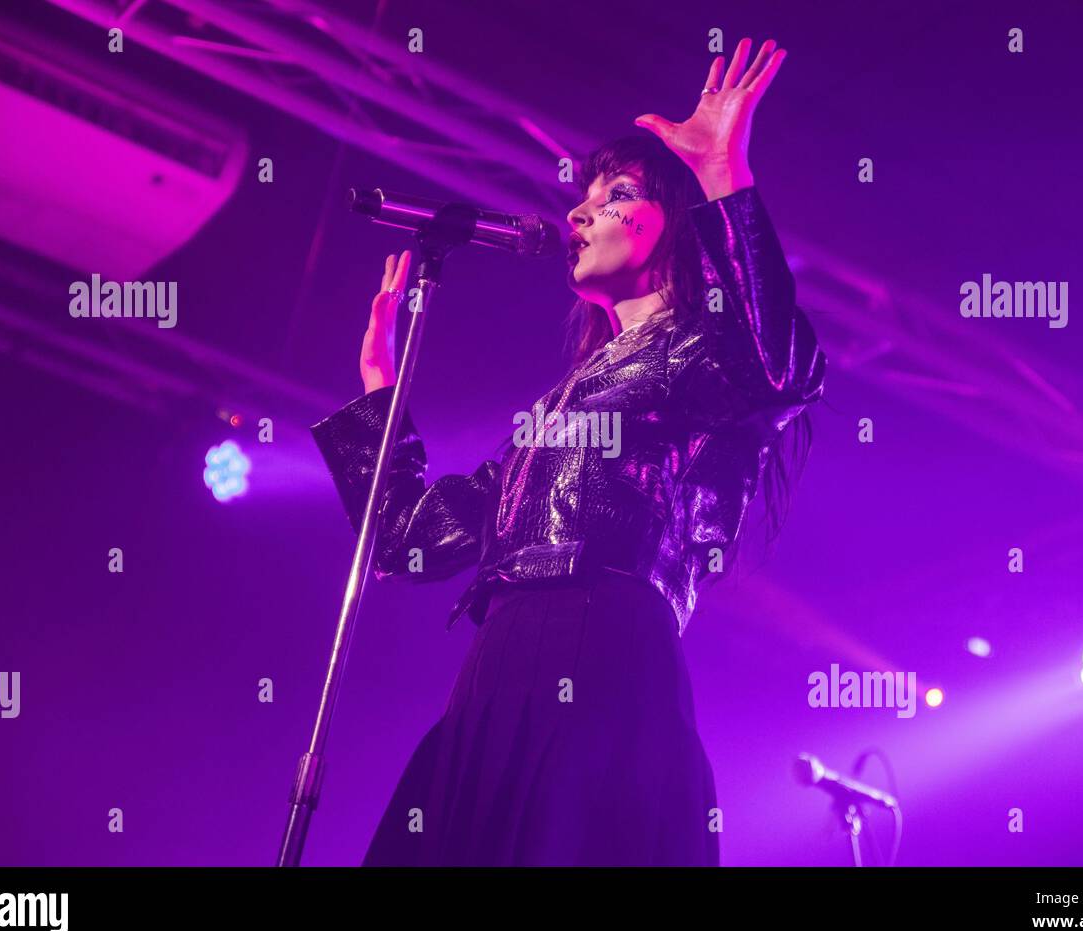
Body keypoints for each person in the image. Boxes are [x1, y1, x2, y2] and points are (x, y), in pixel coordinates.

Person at [310, 37, 826, 866]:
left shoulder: (705, 352)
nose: (580, 214)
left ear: (673, 224)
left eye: (616, 195)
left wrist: (722, 172)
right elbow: (410, 542)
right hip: (498, 662)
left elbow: (779, 366)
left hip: (605, 638)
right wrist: (380, 396)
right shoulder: (556, 410)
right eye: (582, 198)